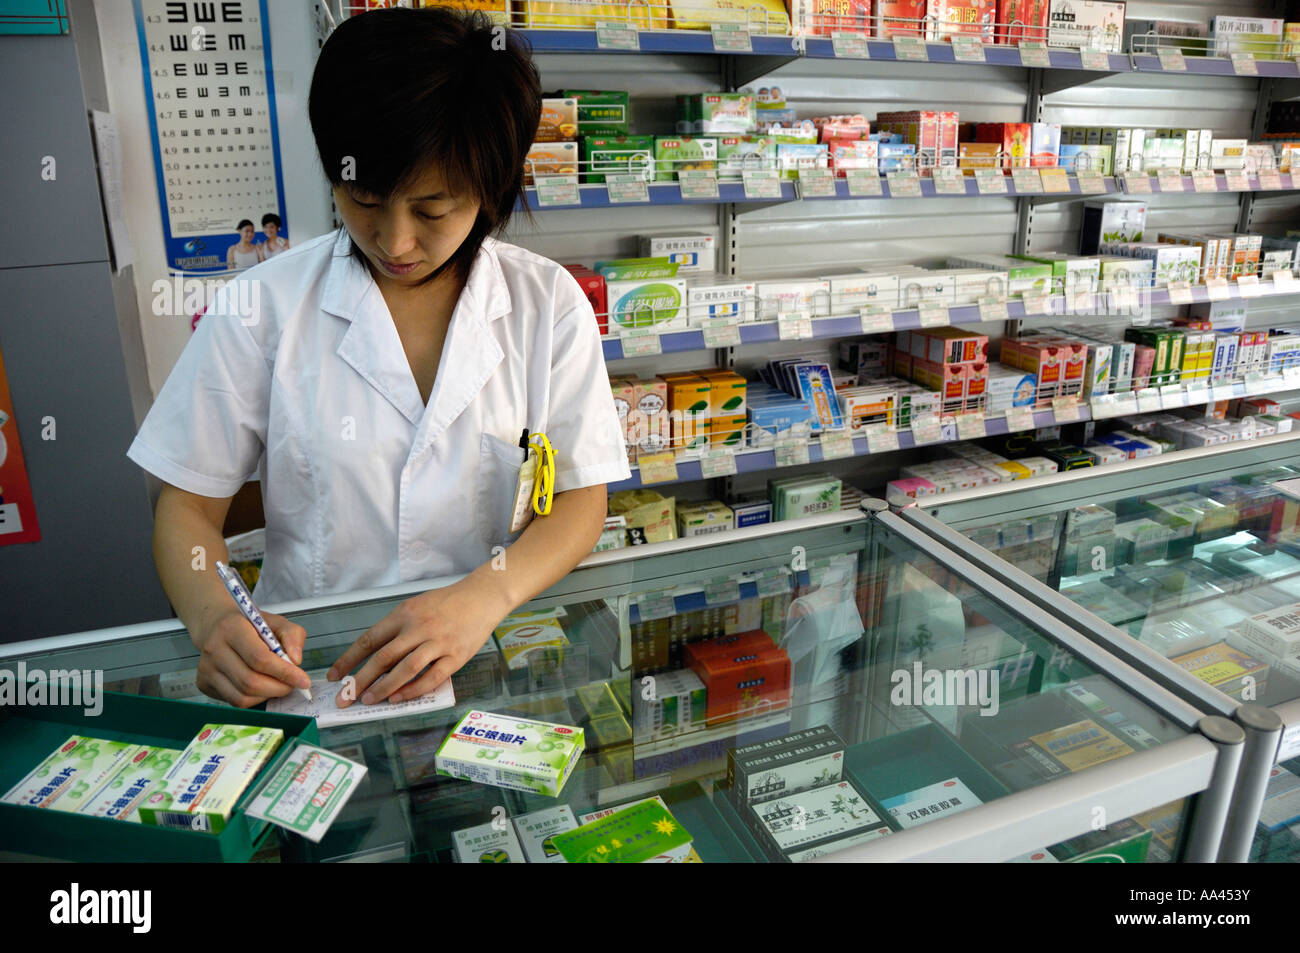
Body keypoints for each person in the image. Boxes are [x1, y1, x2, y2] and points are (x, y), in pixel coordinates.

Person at [126, 8, 629, 709]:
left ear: (490, 192)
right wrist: (215, 620)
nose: (393, 240)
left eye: (432, 210)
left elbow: (580, 497)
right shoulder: (262, 307)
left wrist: (482, 596)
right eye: (364, 199)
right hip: (312, 679)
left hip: (489, 672)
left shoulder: (548, 305)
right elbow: (185, 507)